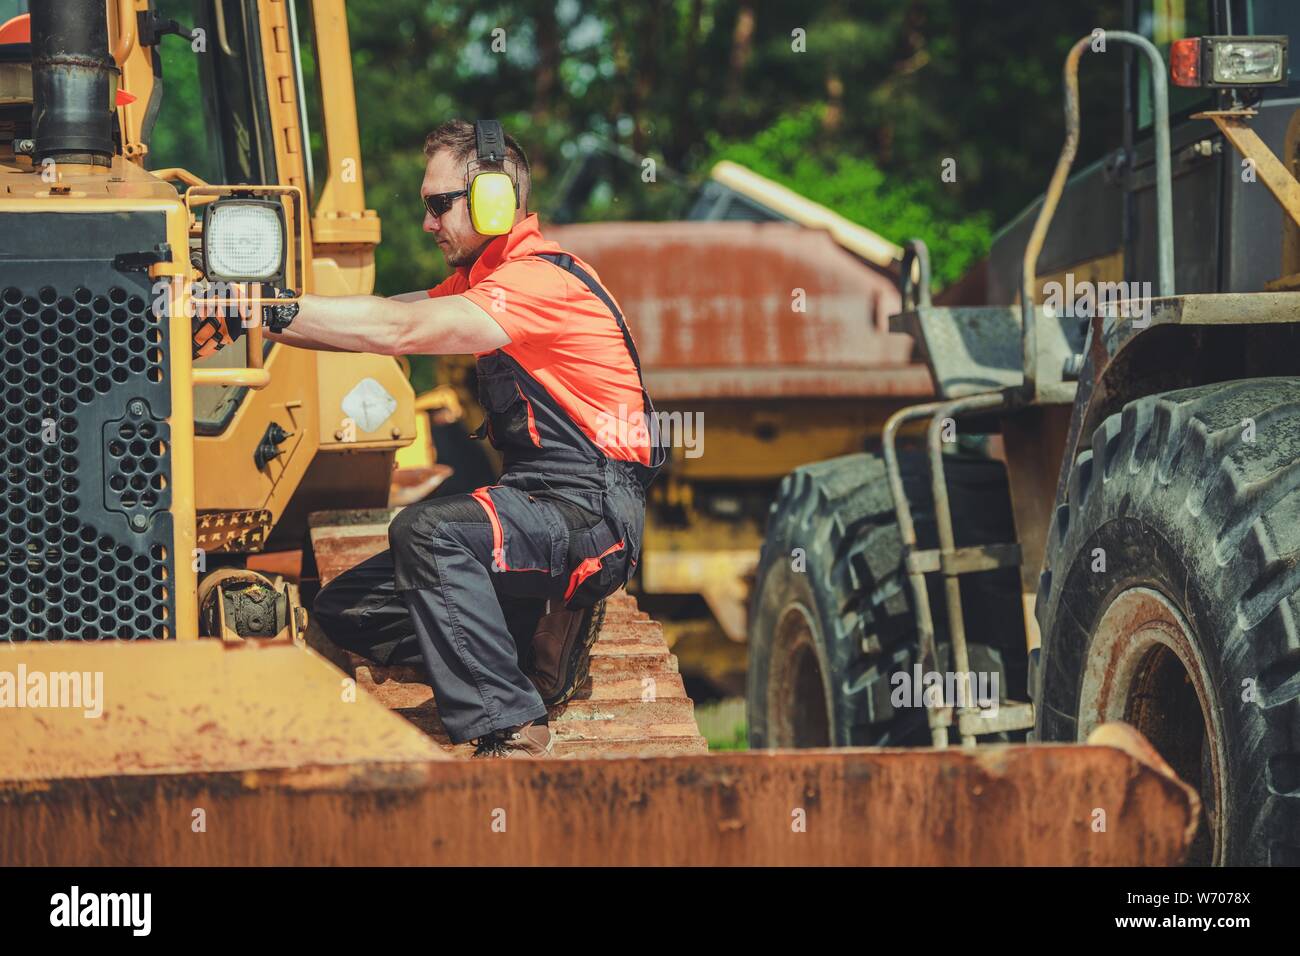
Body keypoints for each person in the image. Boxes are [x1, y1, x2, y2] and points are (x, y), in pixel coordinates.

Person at [207, 119, 662, 758]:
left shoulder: (538, 281)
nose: (427, 223)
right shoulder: (486, 280)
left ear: (494, 199)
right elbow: (375, 318)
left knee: (428, 531)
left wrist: (257, 309)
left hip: (589, 515)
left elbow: (400, 330)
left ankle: (512, 722)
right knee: (346, 610)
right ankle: (531, 634)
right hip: (539, 506)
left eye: (437, 205)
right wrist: (250, 310)